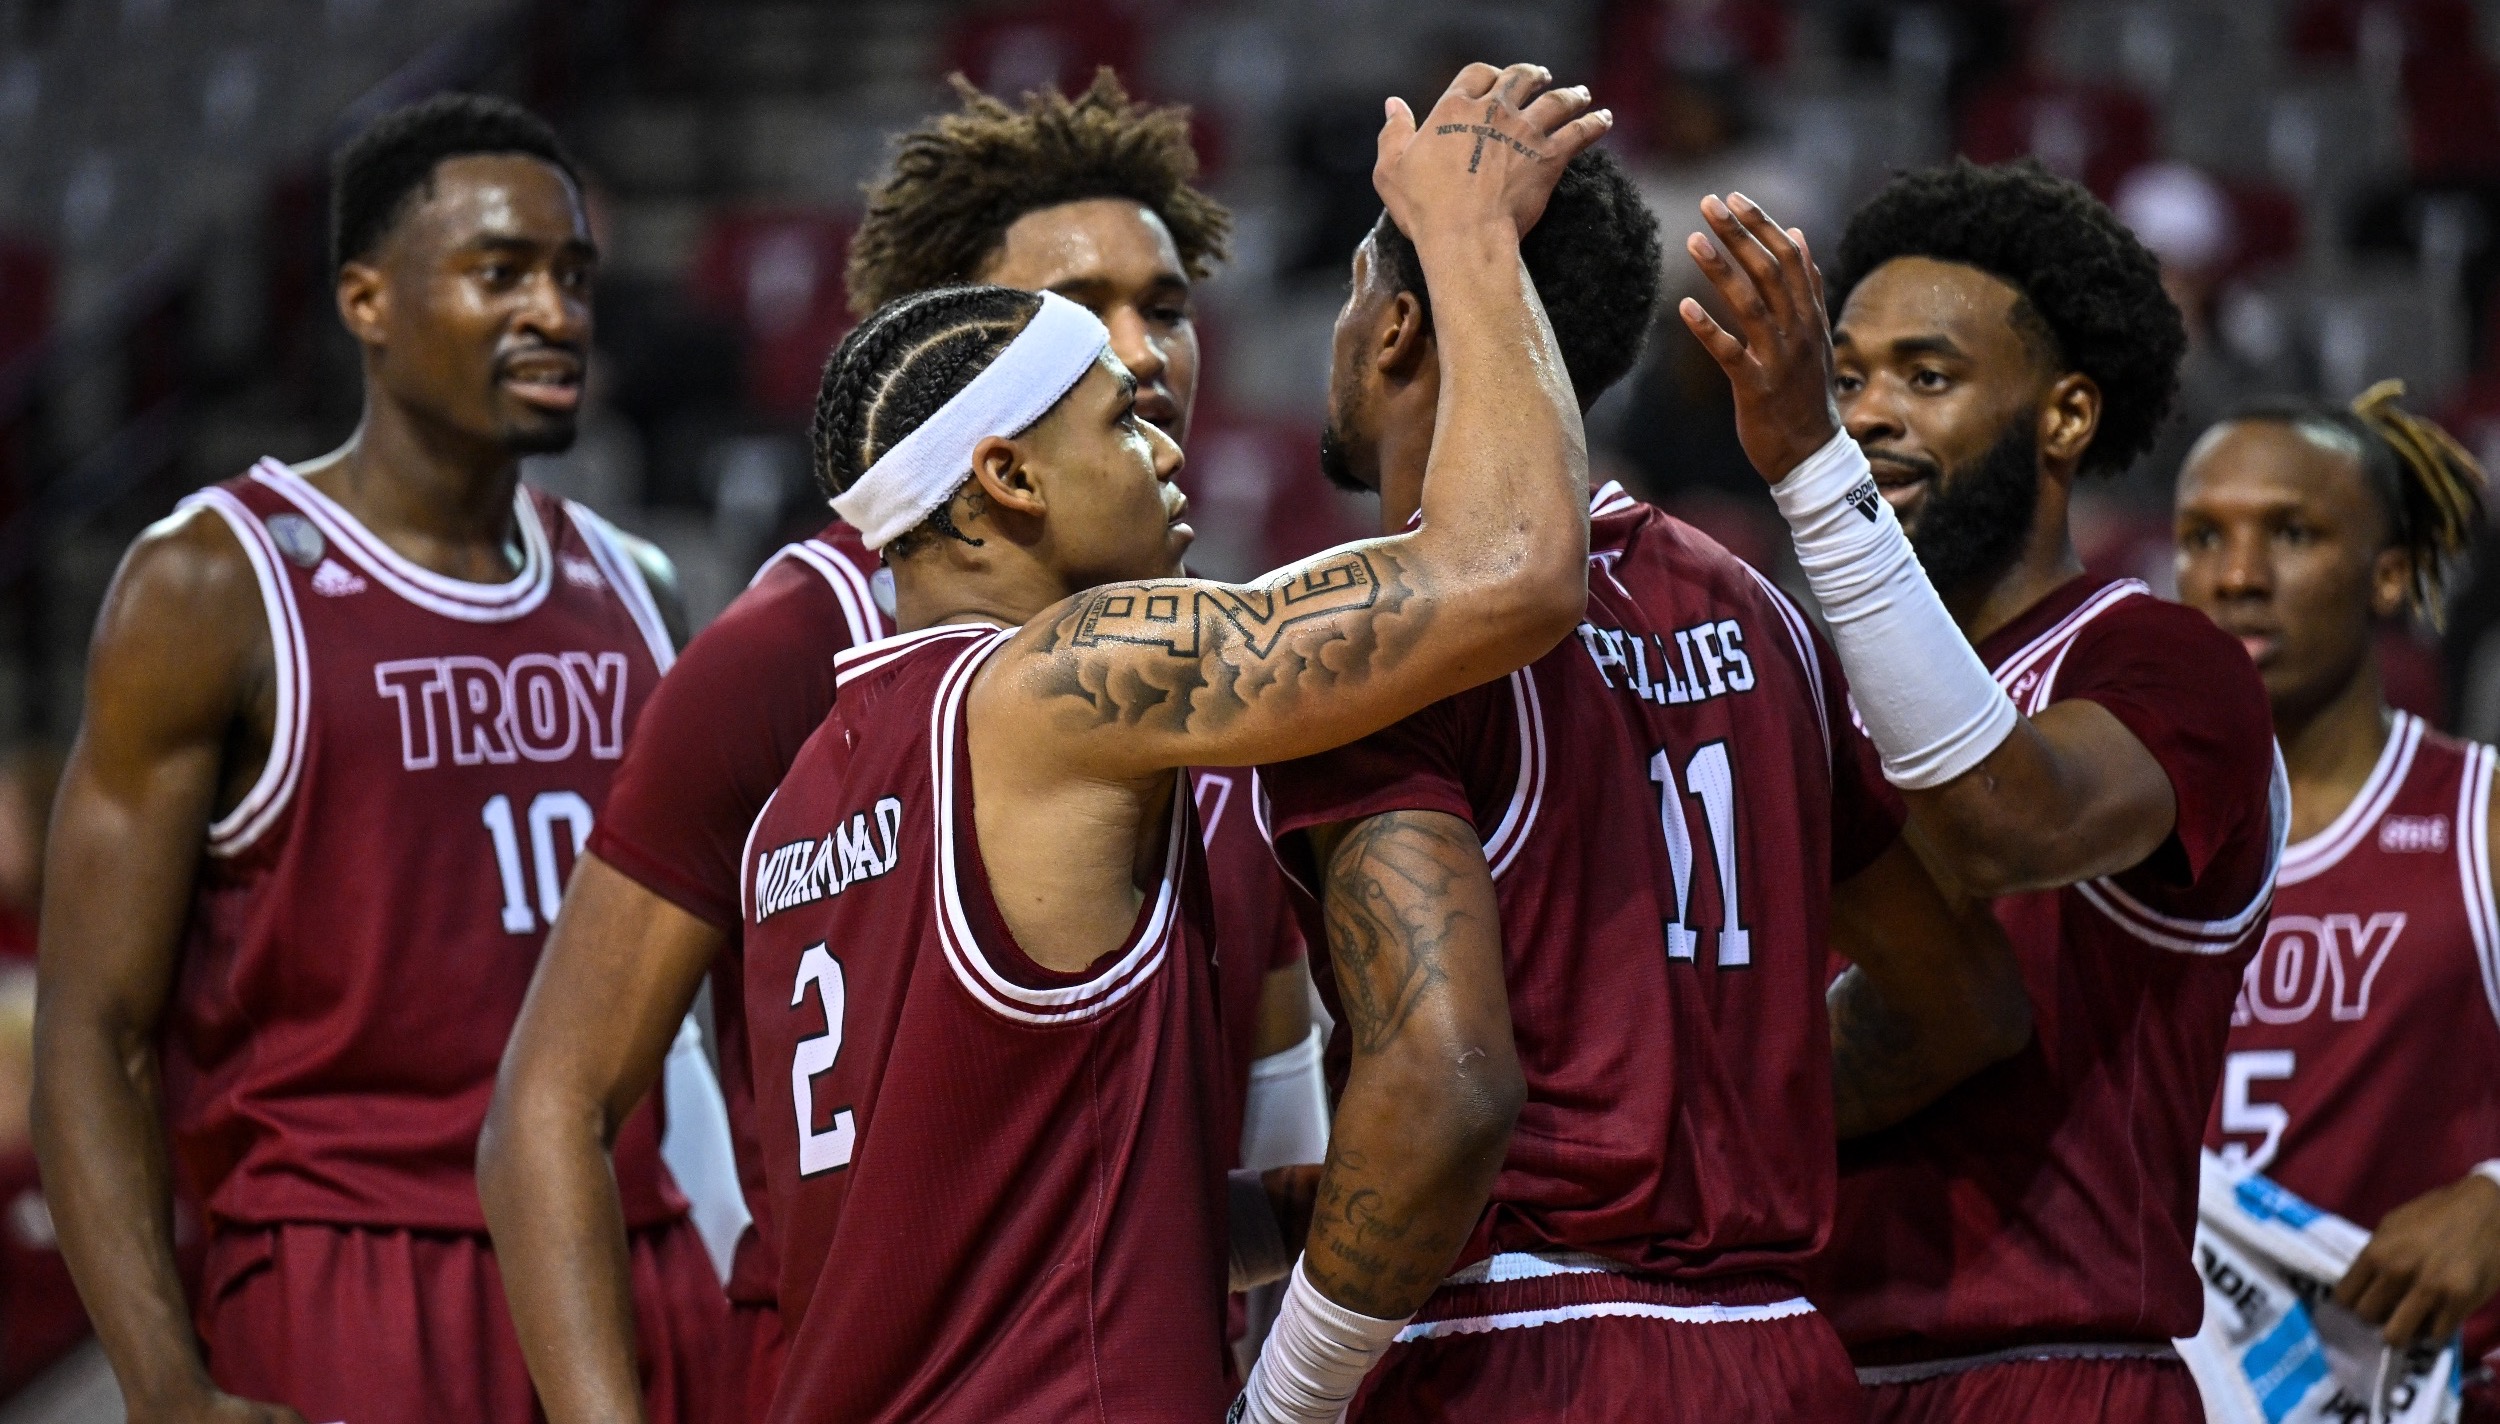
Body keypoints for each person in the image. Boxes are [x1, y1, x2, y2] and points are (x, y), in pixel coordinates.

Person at [731, 64, 1605, 1422]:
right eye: (1122, 426)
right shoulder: (1064, 684)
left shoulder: (794, 810)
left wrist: (1297, 1216)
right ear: (1008, 479)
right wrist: (1468, 236)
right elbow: (1516, 574)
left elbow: (972, 1202)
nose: (1167, 437)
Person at [478, 70, 1326, 1419]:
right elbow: (552, 1104)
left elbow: (1267, 1114)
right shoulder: (783, 651)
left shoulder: (1187, 655)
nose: (1144, 353)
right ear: (955, 359)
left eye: (1162, 306)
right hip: (863, 1368)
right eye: (1081, 315)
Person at [1242, 147, 2033, 1424]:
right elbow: (1964, 1000)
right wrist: (1695, 1101)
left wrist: (1286, 1397)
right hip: (1777, 1348)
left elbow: (1446, 1084)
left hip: (1526, 1343)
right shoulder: (1754, 609)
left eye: (1350, 291)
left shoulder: (1368, 641)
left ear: (1393, 326)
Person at [29, 95, 728, 1424]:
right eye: (502, 272)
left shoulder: (639, 588)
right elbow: (92, 1029)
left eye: (575, 276)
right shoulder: (215, 583)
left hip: (635, 1255)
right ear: (366, 299)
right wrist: (164, 1387)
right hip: (358, 1268)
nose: (557, 313)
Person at [1677, 158, 2285, 1422]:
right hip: (1792, 1362)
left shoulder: (2161, 660)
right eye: (1842, 380)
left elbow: (2010, 822)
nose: (1870, 414)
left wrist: (1806, 466)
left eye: (1927, 376)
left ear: (2064, 416)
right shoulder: (1794, 678)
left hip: (2048, 1367)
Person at [2174, 381, 2500, 1418]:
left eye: (2293, 533)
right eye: (2200, 536)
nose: (2235, 576)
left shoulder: (2476, 816)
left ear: (2389, 573)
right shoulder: (2109, 839)